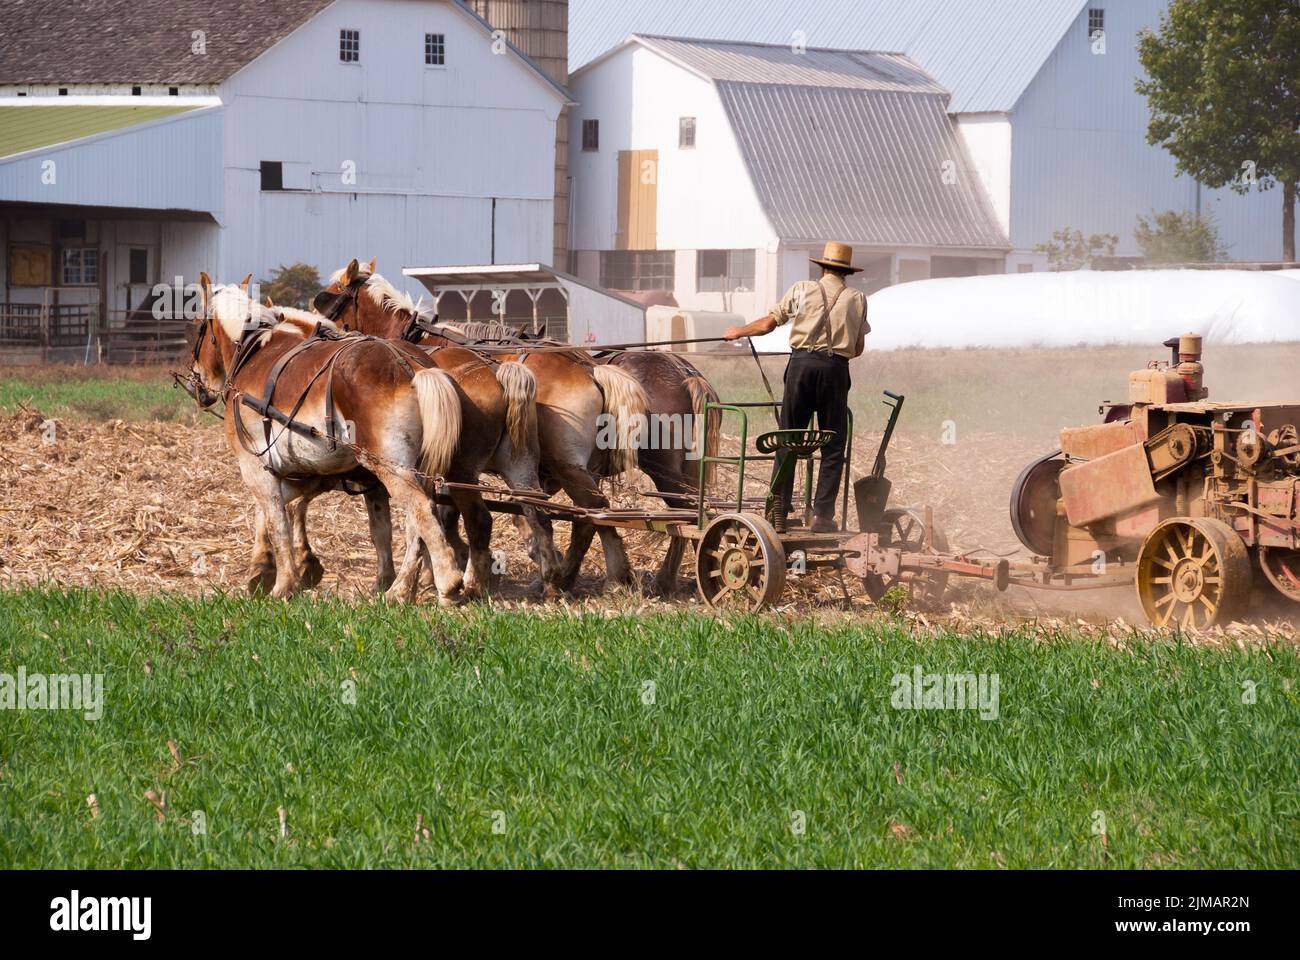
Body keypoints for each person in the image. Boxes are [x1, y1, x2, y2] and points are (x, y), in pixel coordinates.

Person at [723, 242, 870, 533]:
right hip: (835, 372)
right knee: (833, 444)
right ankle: (823, 516)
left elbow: (768, 324)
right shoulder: (858, 298)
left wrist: (738, 331)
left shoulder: (802, 289)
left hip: (801, 368)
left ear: (823, 267)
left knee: (788, 439)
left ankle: (778, 508)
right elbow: (857, 348)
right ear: (846, 273)